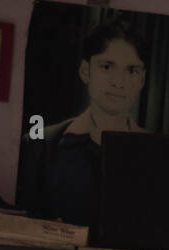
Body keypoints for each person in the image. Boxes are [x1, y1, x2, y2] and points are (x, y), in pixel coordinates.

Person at [16, 19, 149, 233]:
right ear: (86, 71)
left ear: (142, 79)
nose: (119, 82)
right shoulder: (41, 144)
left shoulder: (155, 152)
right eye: (107, 67)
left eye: (131, 70)